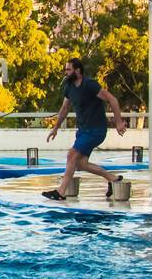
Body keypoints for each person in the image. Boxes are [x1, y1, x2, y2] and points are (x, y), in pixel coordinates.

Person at [43, 57, 128, 201]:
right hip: (83, 131)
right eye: (66, 69)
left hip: (96, 130)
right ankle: (113, 179)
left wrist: (118, 122)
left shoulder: (90, 85)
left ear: (78, 71)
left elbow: (112, 99)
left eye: (69, 69)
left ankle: (61, 192)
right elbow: (64, 109)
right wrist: (55, 128)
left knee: (71, 155)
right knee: (81, 164)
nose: (66, 72)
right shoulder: (69, 87)